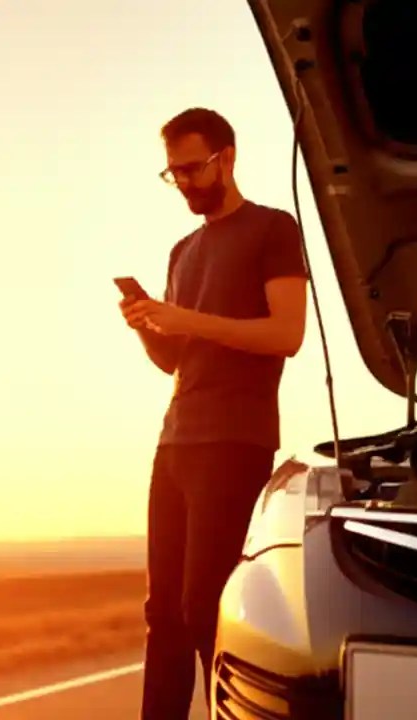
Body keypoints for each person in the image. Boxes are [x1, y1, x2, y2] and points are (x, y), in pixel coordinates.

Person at [120, 107, 309, 720]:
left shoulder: (273, 229)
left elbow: (287, 333)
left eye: (193, 169)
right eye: (173, 174)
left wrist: (187, 320)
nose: (185, 184)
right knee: (163, 615)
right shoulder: (183, 250)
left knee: (205, 606)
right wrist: (148, 325)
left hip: (235, 440)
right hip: (176, 441)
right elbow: (177, 357)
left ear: (226, 157)